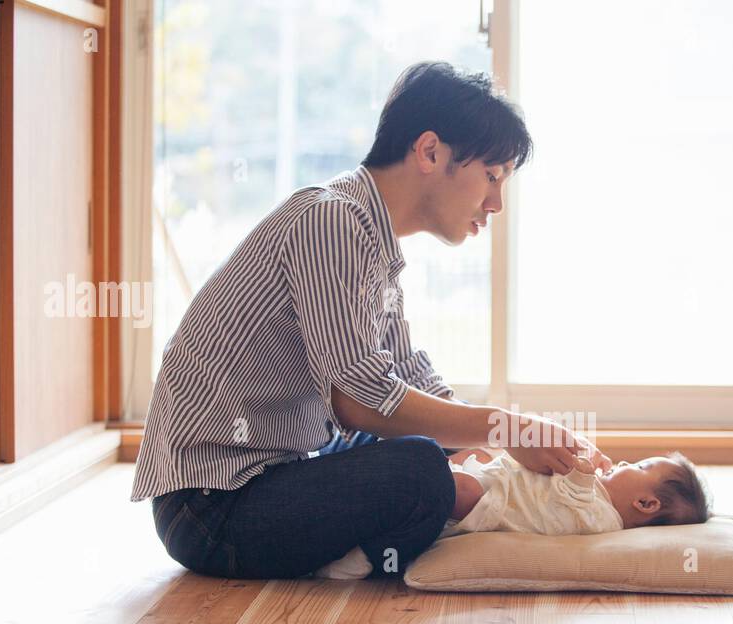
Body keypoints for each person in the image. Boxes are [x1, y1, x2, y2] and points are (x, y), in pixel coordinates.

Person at [132, 61, 611, 579]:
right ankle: (361, 554)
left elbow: (406, 377)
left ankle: (402, 529)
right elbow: (359, 402)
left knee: (427, 452)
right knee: (421, 472)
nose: (495, 203)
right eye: (491, 176)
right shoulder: (331, 220)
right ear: (430, 152)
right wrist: (505, 429)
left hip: (275, 469)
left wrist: (528, 448)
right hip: (210, 509)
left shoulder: (371, 239)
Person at [319, 450, 712, 579]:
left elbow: (572, 494)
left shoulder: (602, 518)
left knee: (456, 486)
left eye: (639, 466)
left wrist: (580, 465)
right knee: (448, 467)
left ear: (646, 504)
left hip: (494, 505)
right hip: (500, 483)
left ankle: (362, 560)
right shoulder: (599, 499)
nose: (624, 461)